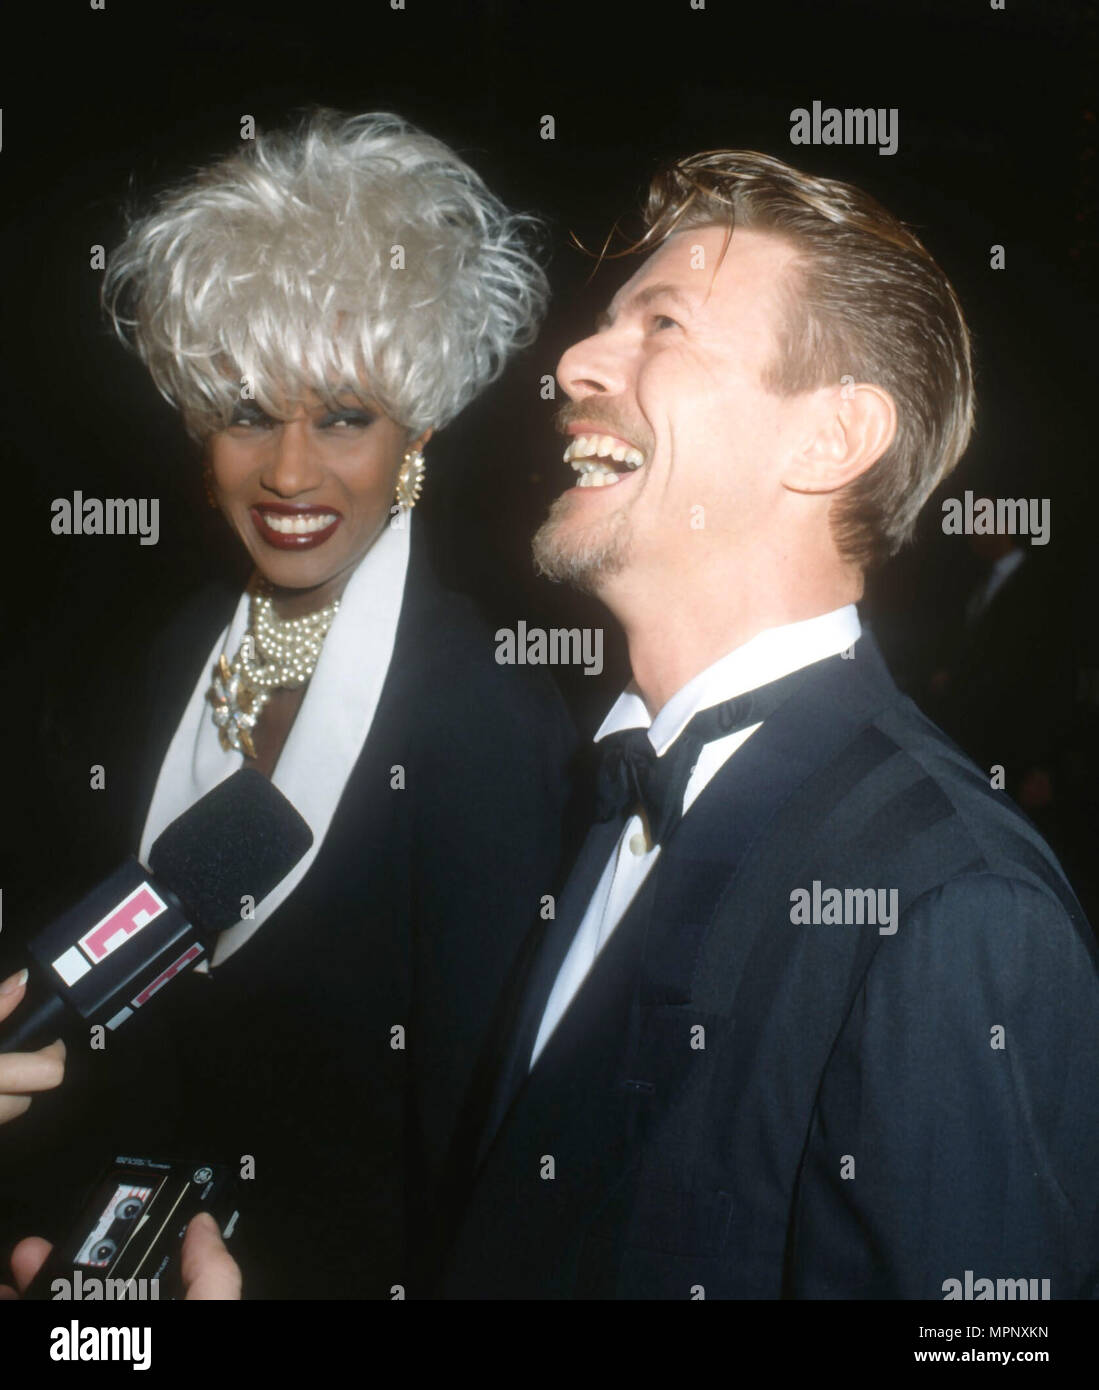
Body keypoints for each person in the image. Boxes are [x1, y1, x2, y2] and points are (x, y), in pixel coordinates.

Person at [432, 151, 1099, 1298]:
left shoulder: (958, 909)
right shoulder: (603, 797)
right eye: (608, 321)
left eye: (662, 324)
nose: (574, 359)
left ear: (830, 439)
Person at [0, 110, 575, 1299]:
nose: (291, 472)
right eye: (248, 412)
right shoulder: (148, 663)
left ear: (418, 430)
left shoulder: (492, 727)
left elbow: (489, 1177)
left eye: (345, 416)